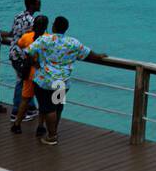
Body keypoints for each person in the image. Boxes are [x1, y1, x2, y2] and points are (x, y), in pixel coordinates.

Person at [27, 16, 101, 146]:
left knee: (48, 109)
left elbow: (28, 51)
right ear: (66, 28)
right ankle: (54, 131)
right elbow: (90, 54)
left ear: (54, 26)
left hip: (45, 81)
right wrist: (101, 56)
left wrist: (34, 63)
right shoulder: (73, 42)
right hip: (62, 82)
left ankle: (52, 136)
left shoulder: (45, 39)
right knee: (57, 107)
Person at [9, 14, 48, 137]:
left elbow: (20, 44)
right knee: (43, 102)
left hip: (30, 73)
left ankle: (17, 125)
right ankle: (40, 127)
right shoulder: (48, 38)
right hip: (43, 74)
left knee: (25, 100)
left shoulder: (27, 37)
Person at [9, 0, 42, 120]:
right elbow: (33, 39)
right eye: (38, 2)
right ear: (32, 4)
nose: (40, 4)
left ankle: (31, 108)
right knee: (22, 82)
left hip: (13, 53)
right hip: (23, 56)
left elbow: (13, 33)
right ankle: (16, 112)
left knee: (26, 80)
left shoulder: (18, 15)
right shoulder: (32, 21)